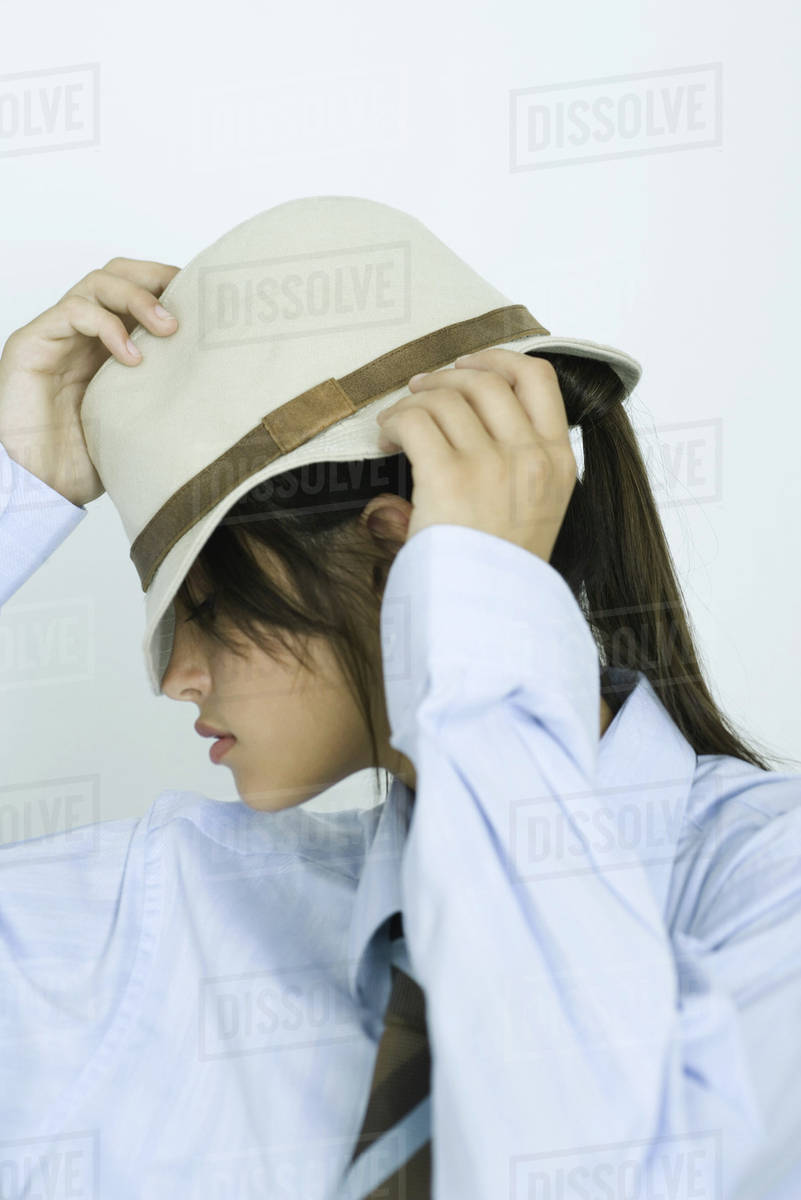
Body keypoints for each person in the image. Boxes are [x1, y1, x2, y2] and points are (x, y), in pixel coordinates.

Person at [1, 210, 800, 1200]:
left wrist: (478, 608)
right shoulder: (153, 920)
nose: (177, 678)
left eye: (207, 608)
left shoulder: (770, 888)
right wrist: (11, 484)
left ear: (400, 548)